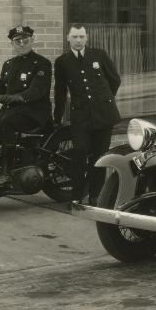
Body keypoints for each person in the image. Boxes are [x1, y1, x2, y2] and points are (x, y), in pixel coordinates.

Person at [54, 23, 121, 205]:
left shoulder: (99, 55)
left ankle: (95, 196)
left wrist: (105, 100)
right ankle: (76, 197)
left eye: (81, 37)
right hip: (81, 116)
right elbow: (60, 92)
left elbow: (115, 80)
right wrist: (56, 118)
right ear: (68, 38)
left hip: (104, 115)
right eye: (74, 37)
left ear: (87, 37)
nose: (78, 40)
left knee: (99, 156)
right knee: (79, 154)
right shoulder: (62, 61)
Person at [0, 25, 53, 186]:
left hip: (35, 113)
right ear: (12, 44)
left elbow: (38, 90)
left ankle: (6, 173)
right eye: (17, 41)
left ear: (32, 40)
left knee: (7, 122)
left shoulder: (42, 63)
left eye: (25, 40)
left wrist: (18, 97)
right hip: (13, 111)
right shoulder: (8, 64)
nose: (22, 44)